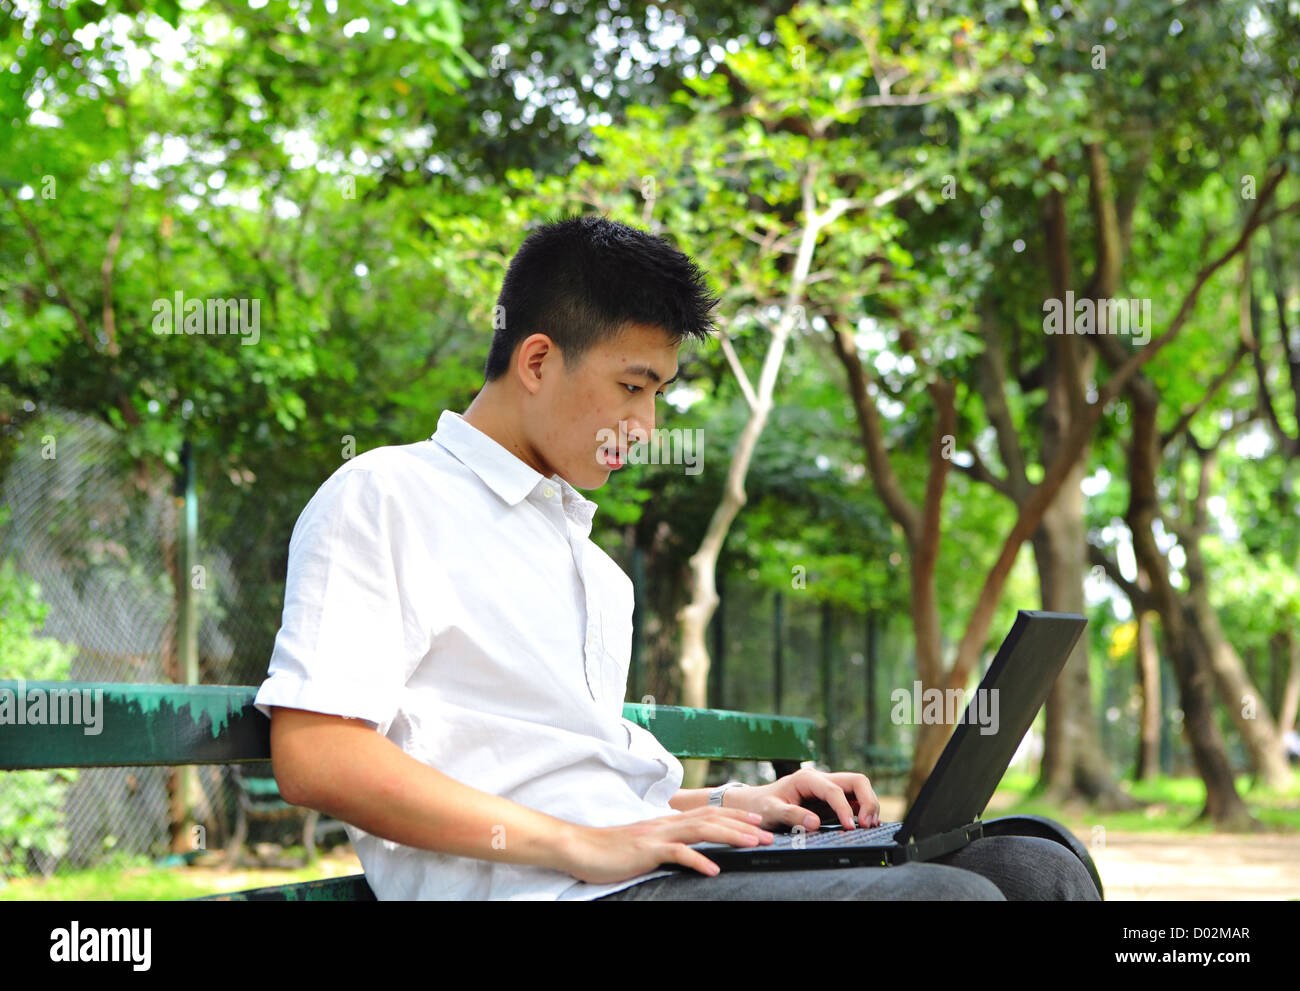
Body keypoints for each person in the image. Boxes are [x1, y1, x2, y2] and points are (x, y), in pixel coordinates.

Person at [253, 215, 1098, 901]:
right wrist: (588, 843)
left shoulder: (589, 566)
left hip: (641, 869)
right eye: (632, 386)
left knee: (1036, 866)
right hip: (547, 893)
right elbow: (318, 752)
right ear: (538, 359)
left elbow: (573, 774)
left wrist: (736, 804)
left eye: (660, 393)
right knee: (941, 904)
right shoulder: (386, 494)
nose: (648, 426)